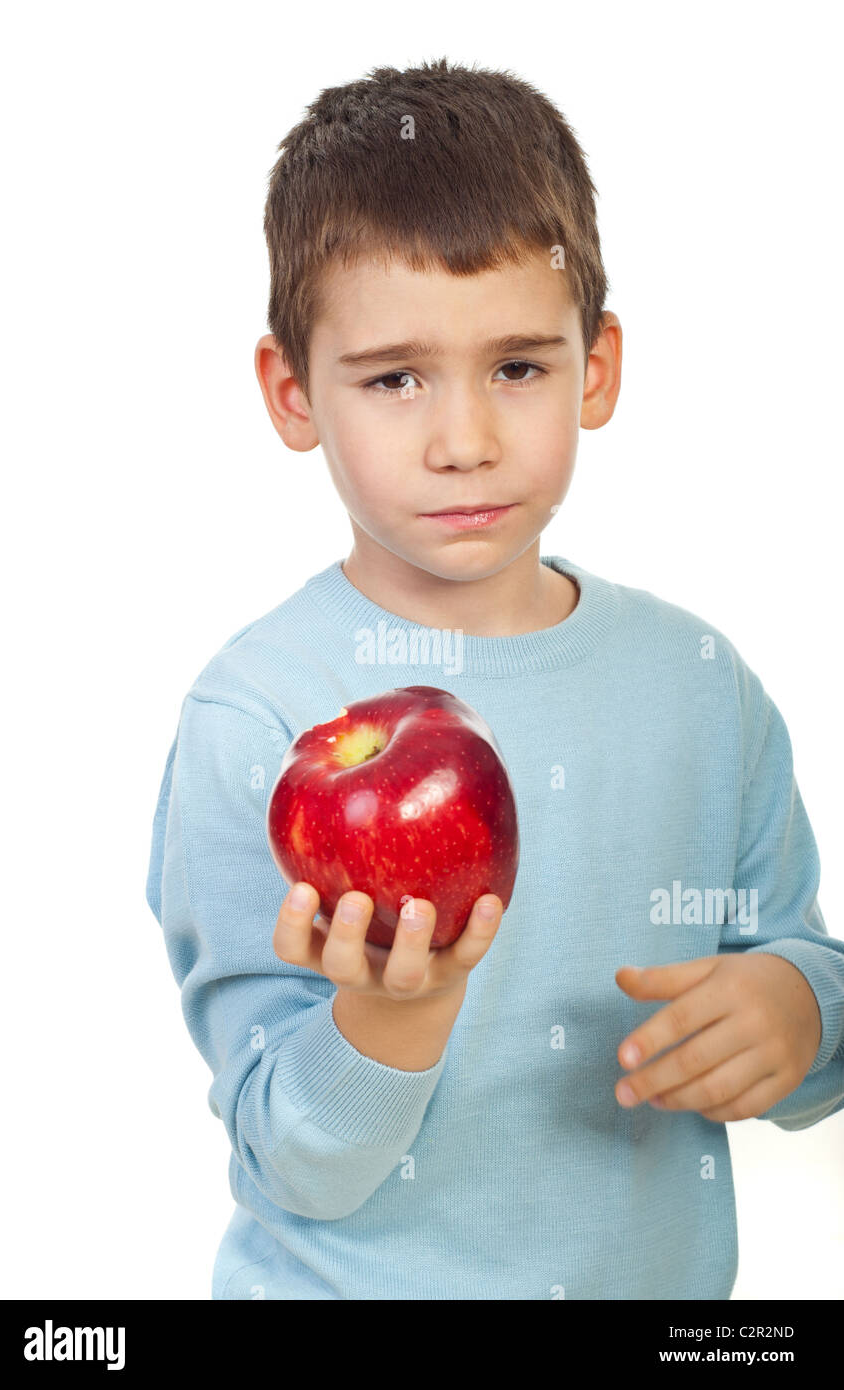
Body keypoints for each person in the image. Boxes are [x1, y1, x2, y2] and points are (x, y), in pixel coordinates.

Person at [145, 57, 844, 1300]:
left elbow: (804, 977)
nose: (464, 437)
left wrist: (799, 1010)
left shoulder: (698, 686)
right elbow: (290, 1161)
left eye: (517, 367)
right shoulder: (256, 716)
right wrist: (393, 1022)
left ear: (598, 367)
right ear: (292, 392)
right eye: (395, 377)